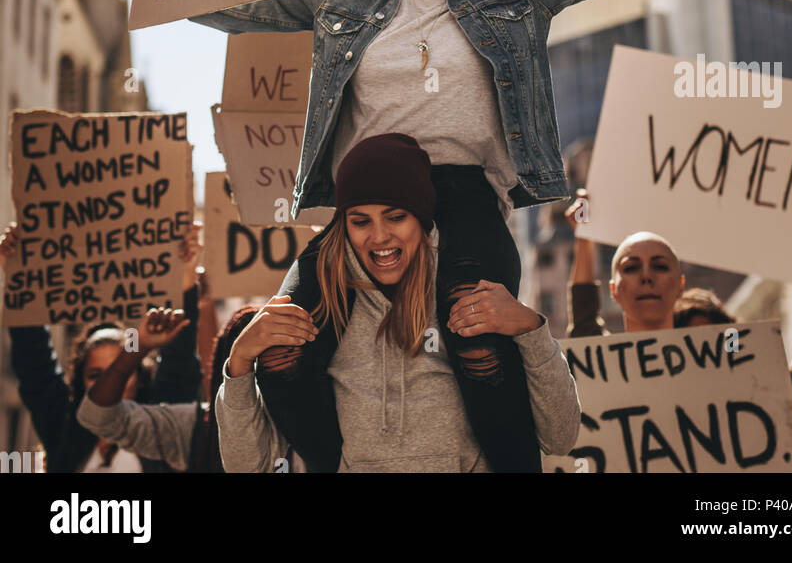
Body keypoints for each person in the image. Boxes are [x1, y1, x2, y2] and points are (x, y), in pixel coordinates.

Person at [124, 0, 792, 470]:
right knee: (277, 341)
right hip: (367, 201)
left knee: (473, 330)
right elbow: (240, 5)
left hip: (462, 190)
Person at [215, 132, 580, 473]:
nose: (379, 237)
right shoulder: (328, 311)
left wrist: (532, 330)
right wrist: (240, 361)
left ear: (422, 220)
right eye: (360, 221)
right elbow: (248, 466)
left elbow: (560, 437)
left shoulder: (469, 297)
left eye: (396, 217)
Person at [0, 222, 202, 473]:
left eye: (123, 371)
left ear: (139, 377)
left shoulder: (161, 428)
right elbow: (34, 365)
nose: (111, 382)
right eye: (96, 375)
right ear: (80, 382)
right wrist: (17, 278)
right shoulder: (62, 426)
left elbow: (179, 362)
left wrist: (184, 279)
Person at [75, 303, 297, 473]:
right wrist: (137, 343)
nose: (251, 385)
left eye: (273, 361)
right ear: (223, 370)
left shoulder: (319, 419)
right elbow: (96, 416)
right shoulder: (193, 427)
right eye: (242, 370)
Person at [674, 227, 792, 412]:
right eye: (695, 348)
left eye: (712, 345)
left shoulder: (769, 400)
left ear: (732, 347)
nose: (705, 357)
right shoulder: (665, 418)